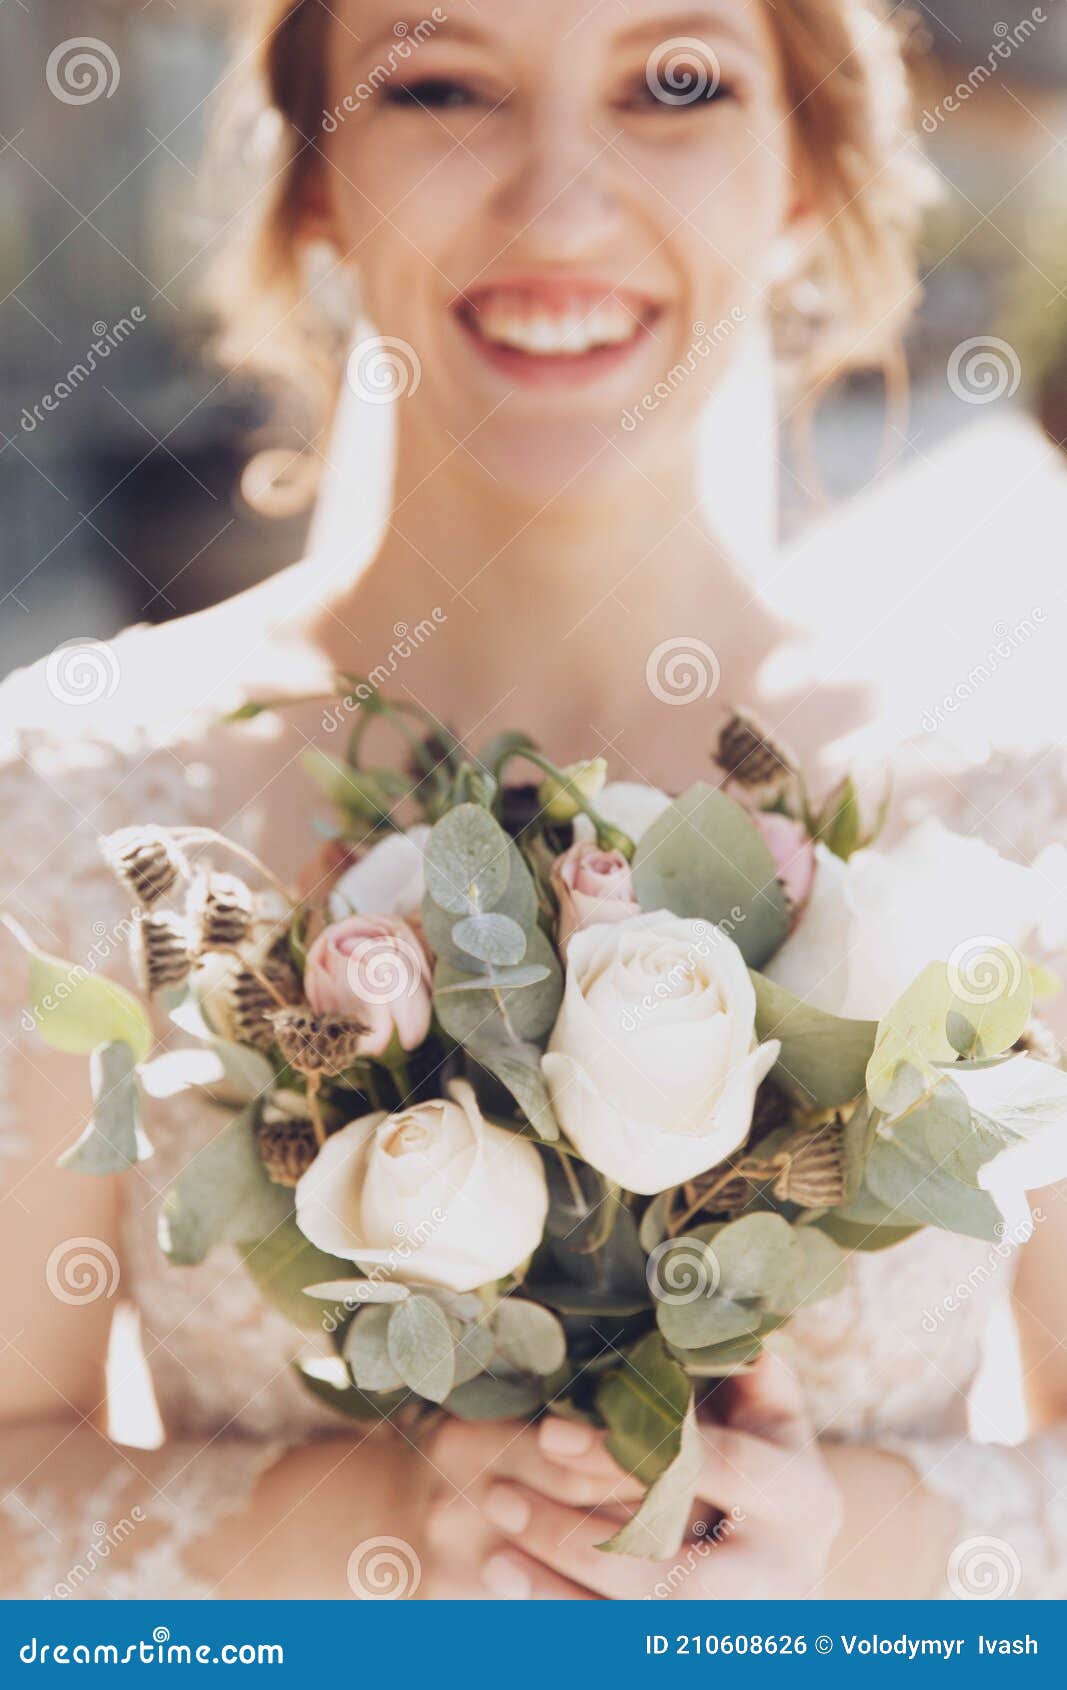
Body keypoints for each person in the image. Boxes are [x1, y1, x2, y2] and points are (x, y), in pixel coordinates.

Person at [2, 0, 1065, 1601]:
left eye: (678, 82)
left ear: (802, 160)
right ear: (312, 174)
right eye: (441, 84)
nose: (560, 204)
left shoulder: (1013, 807)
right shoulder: (74, 807)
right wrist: (381, 1532)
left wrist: (849, 1559)